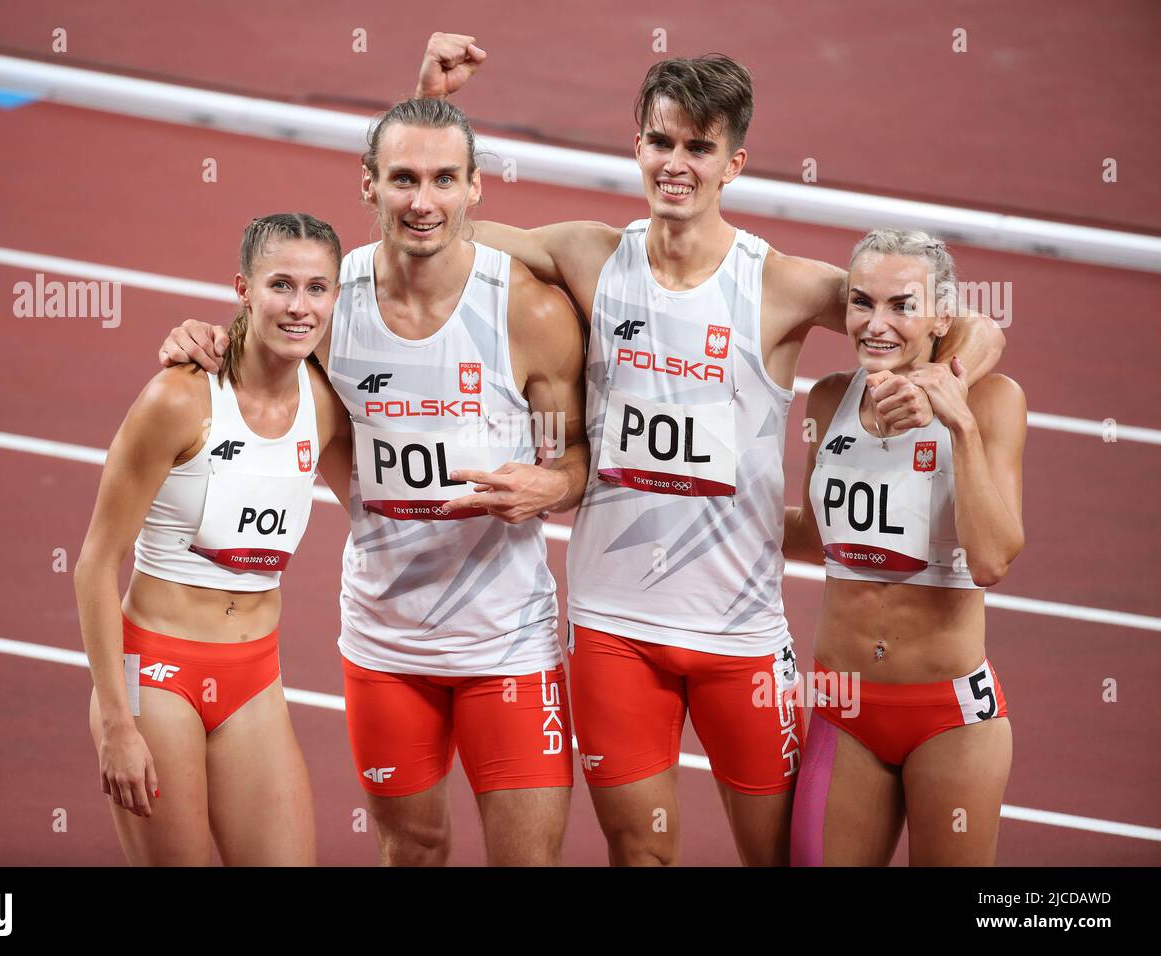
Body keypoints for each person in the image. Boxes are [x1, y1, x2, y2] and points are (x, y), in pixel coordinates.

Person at [400, 33, 1007, 866]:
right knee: (638, 852)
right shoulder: (591, 254)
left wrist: (952, 379)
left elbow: (960, 317)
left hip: (741, 634)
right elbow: (438, 226)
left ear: (734, 161)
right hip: (614, 625)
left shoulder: (780, 282)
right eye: (661, 141)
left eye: (698, 146)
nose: (675, 163)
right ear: (636, 144)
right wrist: (434, 101)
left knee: (778, 857)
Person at [159, 98, 589, 866]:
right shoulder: (331, 305)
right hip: (385, 640)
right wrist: (196, 339)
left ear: (475, 187)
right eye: (402, 179)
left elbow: (578, 456)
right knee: (410, 848)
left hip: (507, 643)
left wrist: (551, 488)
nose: (423, 202)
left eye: (443, 180)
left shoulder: (529, 311)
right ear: (368, 186)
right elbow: (251, 352)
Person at [75, 213, 352, 865]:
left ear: (337, 298)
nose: (299, 305)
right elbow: (94, 565)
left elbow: (384, 504)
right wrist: (116, 723)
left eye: (318, 288)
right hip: (158, 677)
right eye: (281, 284)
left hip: (254, 678)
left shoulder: (325, 404)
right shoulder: (177, 399)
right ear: (243, 289)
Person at [783, 230, 1024, 865]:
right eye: (861, 303)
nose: (876, 324)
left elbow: (993, 558)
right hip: (843, 704)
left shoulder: (994, 401)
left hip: (947, 714)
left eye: (901, 306)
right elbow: (813, 535)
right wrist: (701, 506)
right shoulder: (829, 398)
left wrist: (959, 422)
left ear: (944, 316)